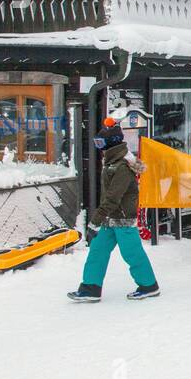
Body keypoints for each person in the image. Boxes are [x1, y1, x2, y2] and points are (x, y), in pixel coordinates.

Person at [68, 118, 159, 302]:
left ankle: (149, 285)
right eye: (97, 143)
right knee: (98, 250)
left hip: (124, 220)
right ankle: (90, 287)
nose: (99, 147)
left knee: (132, 254)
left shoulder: (122, 167)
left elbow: (113, 198)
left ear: (112, 143)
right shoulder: (112, 162)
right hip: (111, 219)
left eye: (101, 143)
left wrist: (95, 220)